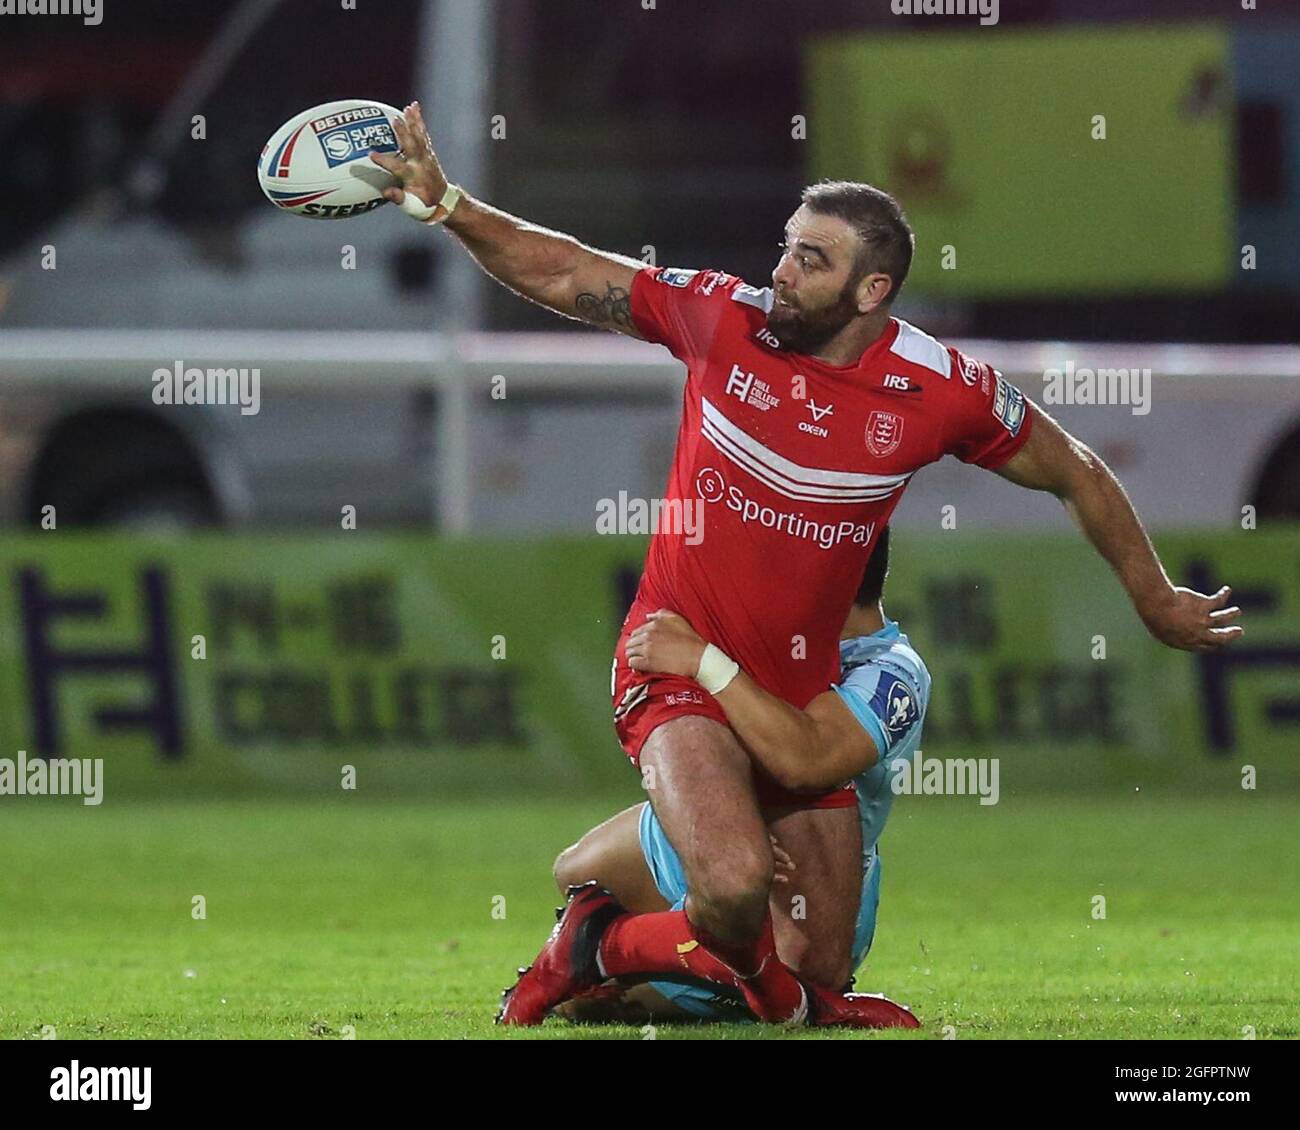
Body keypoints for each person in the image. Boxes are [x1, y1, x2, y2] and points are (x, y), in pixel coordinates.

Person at [371, 104, 1243, 1028]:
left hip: (795, 694)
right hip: (678, 667)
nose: (780, 273)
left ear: (871, 293)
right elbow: (571, 270)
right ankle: (624, 937)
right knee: (739, 888)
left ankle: (611, 949)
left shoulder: (938, 390)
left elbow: (1076, 470)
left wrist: (1154, 599)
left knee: (820, 959)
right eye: (786, 248)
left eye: (810, 261)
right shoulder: (722, 320)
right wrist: (447, 206)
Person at [552, 528, 925, 1025]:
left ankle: (626, 956)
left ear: (832, 573)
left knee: (785, 970)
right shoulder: (770, 643)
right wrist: (722, 821)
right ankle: (649, 957)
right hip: (745, 845)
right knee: (576, 874)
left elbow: (805, 759)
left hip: (810, 891)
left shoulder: (892, 672)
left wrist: (703, 661)